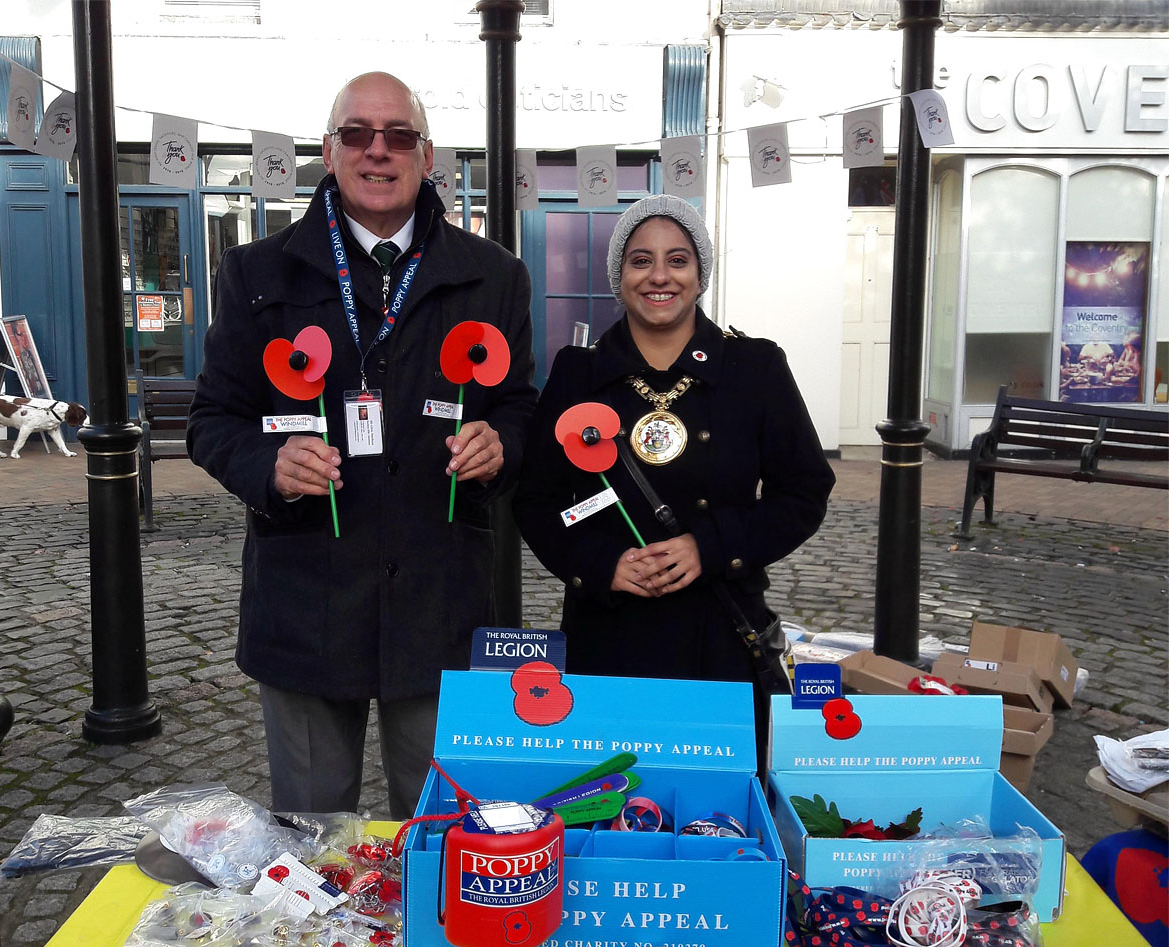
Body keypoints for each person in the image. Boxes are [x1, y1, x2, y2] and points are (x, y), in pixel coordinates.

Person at [187, 72, 537, 818]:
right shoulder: (257, 272)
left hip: (440, 598)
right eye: (357, 134)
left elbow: (519, 407)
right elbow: (213, 419)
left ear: (426, 155)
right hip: (306, 597)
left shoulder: (493, 276)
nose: (378, 151)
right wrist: (269, 465)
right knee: (312, 836)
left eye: (399, 135)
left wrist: (501, 443)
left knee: (441, 832)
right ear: (328, 150)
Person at [512, 195, 833, 775]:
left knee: (720, 803)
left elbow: (803, 491)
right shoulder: (578, 373)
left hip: (719, 633)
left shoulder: (754, 368)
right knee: (607, 799)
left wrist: (710, 546)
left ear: (700, 274)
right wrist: (600, 563)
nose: (659, 276)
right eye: (640, 260)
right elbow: (537, 501)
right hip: (608, 635)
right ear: (618, 278)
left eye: (677, 260)